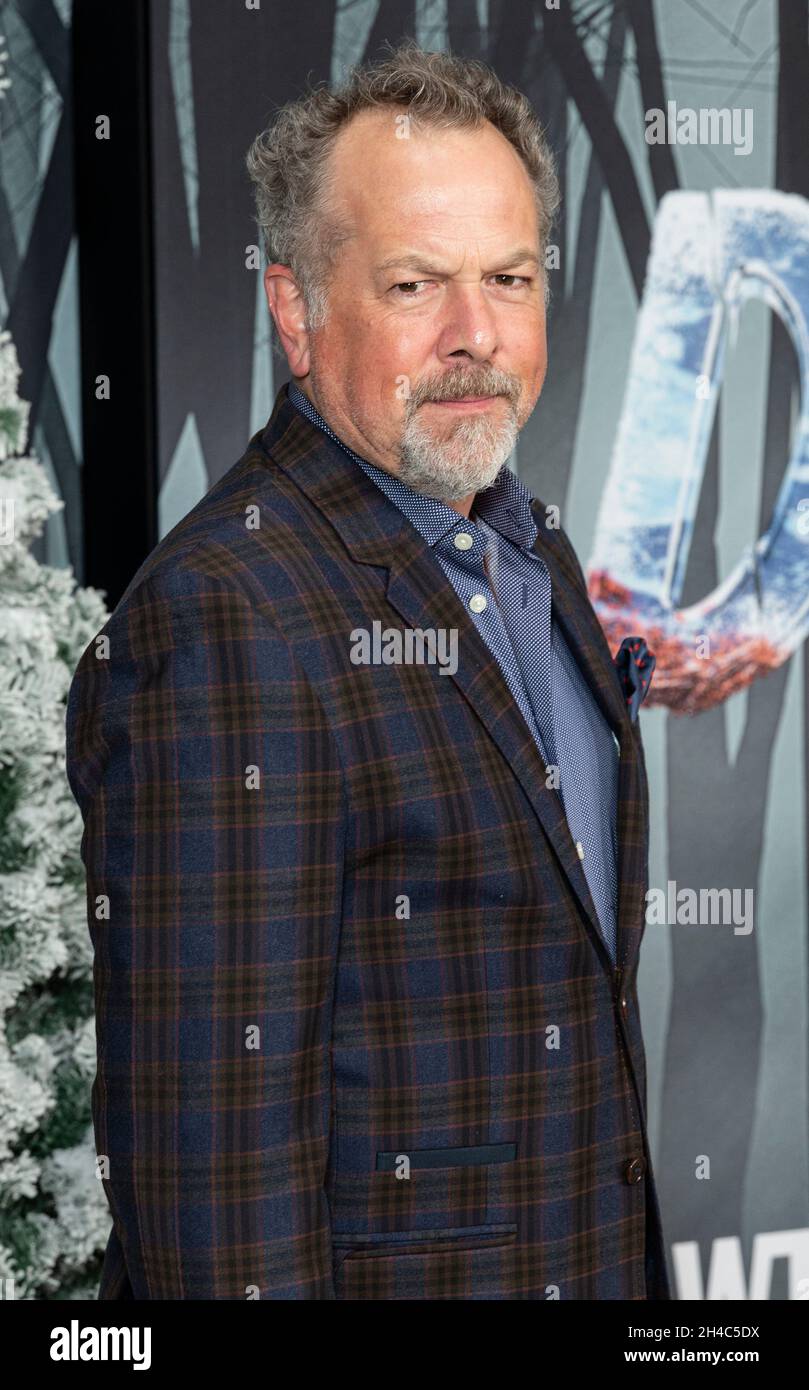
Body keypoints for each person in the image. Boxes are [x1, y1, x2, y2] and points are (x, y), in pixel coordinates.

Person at [65, 40, 668, 1301]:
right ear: (294, 312)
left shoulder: (528, 549)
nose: (474, 334)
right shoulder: (227, 619)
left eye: (508, 277)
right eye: (413, 284)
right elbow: (213, 1189)